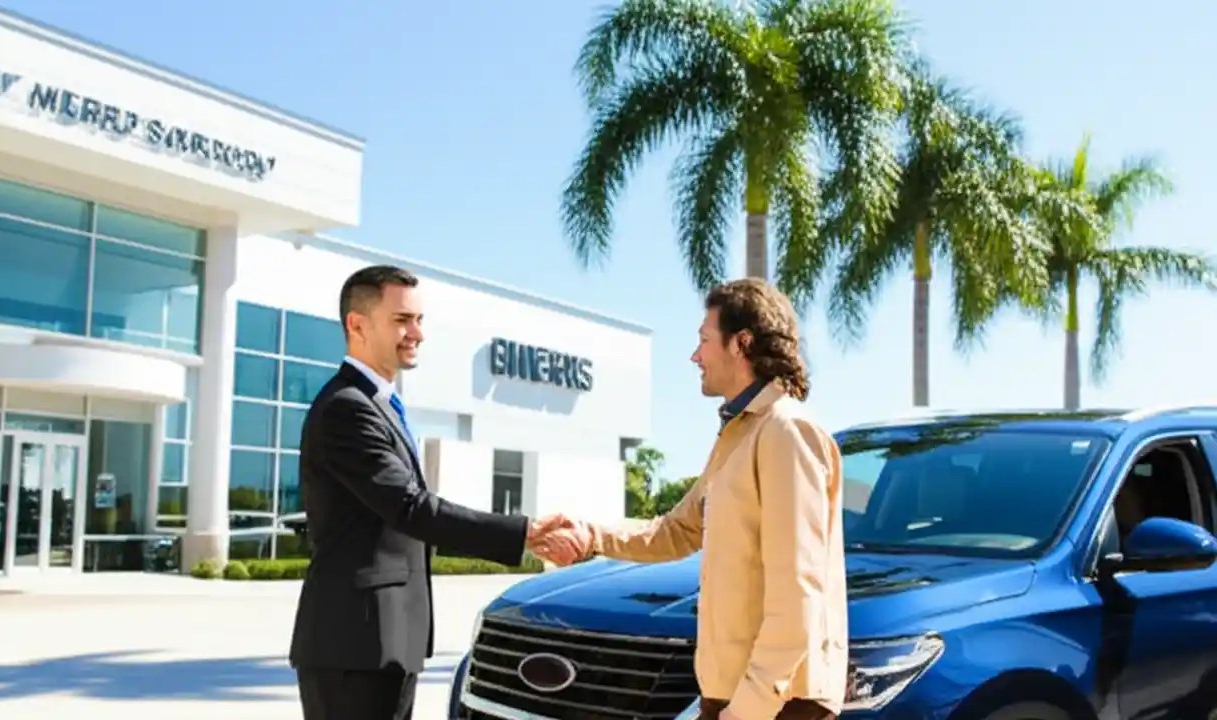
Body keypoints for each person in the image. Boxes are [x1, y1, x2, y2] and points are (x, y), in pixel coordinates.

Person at [536, 278, 848, 720]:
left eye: (704, 340)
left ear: (741, 343)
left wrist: (749, 709)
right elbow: (677, 530)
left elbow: (799, 589)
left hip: (778, 704)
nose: (694, 356)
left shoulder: (785, 432)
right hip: (736, 694)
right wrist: (591, 536)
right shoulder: (740, 434)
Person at [288, 264, 579, 720]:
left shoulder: (375, 406)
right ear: (357, 325)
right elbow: (410, 507)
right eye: (402, 320)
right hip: (353, 647)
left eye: (419, 320)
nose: (417, 333)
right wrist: (522, 533)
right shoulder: (347, 409)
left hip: (384, 642)